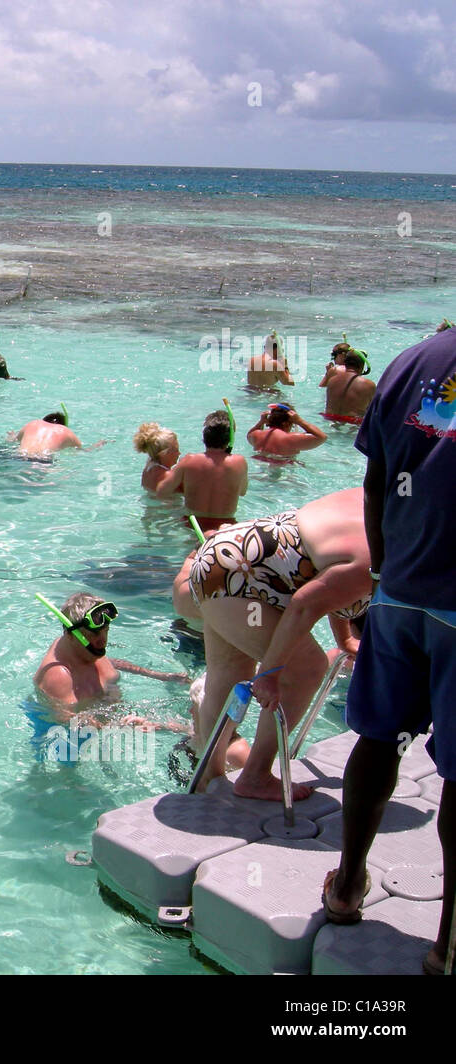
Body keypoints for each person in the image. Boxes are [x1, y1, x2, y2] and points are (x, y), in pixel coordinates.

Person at [321, 327, 455, 975]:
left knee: (379, 741)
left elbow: (377, 480)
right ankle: (446, 943)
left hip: (400, 590)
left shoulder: (409, 362)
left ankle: (347, 886)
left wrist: (381, 576)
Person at [188, 487, 372, 799]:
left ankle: (209, 776)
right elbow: (305, 604)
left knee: (229, 674)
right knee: (307, 668)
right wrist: (272, 673)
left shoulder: (371, 500)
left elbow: (323, 580)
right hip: (245, 580)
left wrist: (344, 639)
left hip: (223, 560)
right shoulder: (382, 553)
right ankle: (256, 775)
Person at [33, 592, 189, 726]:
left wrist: (159, 675)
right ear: (71, 635)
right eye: (94, 634)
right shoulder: (58, 675)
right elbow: (69, 721)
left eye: (106, 631)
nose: (103, 640)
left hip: (115, 716)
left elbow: (110, 662)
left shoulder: (84, 649)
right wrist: (120, 725)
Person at [153, 410, 248, 533]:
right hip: (226, 527)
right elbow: (242, 492)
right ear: (230, 439)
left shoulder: (188, 460)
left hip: (192, 526)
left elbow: (162, 492)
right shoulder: (239, 462)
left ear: (205, 436)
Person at [246, 402, 326, 459]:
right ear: (286, 423)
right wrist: (300, 421)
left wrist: (261, 422)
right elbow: (322, 437)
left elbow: (249, 436)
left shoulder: (256, 435)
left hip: (260, 466)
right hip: (284, 470)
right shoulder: (292, 439)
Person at [319, 350, 376, 423]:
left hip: (329, 418)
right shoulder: (368, 384)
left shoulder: (332, 381)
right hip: (353, 422)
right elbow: (373, 410)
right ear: (362, 366)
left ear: (345, 364)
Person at [133, 422, 180, 492]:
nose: (179, 453)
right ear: (163, 454)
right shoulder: (166, 477)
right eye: (176, 450)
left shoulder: (150, 465)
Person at [11, 411, 80, 457]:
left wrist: (12, 436)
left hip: (18, 456)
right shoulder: (65, 430)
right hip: (42, 461)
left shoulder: (34, 423)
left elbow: (13, 440)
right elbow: (80, 450)